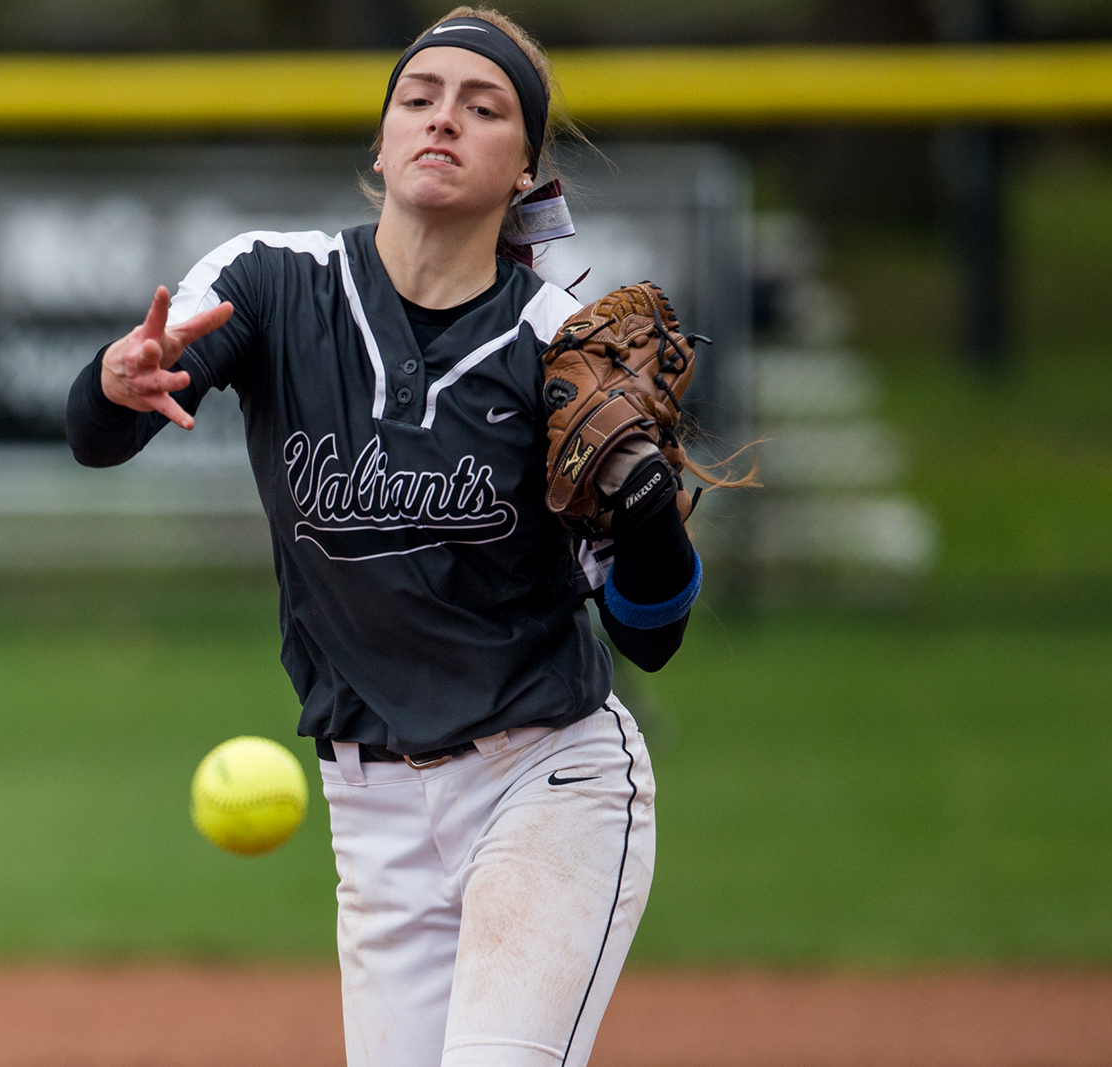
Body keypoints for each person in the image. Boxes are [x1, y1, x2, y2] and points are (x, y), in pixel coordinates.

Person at [67, 8, 738, 1063]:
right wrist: (113, 383)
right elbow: (101, 433)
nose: (442, 121)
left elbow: (649, 629)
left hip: (546, 779)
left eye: (483, 108)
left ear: (525, 170)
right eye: (418, 100)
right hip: (371, 810)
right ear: (379, 144)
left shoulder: (559, 345)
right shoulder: (271, 280)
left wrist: (650, 514)